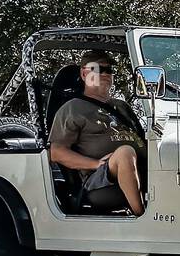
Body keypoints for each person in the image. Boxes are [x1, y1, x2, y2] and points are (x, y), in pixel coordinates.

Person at [48, 50, 146, 215]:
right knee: (125, 153)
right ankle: (143, 215)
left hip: (142, 167)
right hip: (101, 179)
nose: (106, 74)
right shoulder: (72, 108)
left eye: (109, 70)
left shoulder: (121, 107)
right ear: (84, 73)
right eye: (100, 69)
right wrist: (96, 164)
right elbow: (56, 152)